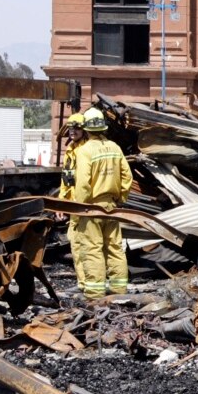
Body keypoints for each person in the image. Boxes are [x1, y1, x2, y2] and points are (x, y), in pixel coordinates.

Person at [71, 107, 133, 299]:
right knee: (115, 248)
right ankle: (119, 291)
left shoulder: (84, 151)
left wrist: (80, 208)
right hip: (111, 207)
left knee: (92, 249)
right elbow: (127, 176)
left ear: (86, 129)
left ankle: (95, 295)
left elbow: (82, 184)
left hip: (91, 208)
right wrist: (121, 198)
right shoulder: (115, 148)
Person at [58, 112, 88, 286]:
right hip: (74, 206)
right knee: (75, 244)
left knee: (87, 245)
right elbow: (65, 181)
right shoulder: (70, 150)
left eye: (76, 127)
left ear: (84, 129)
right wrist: (61, 204)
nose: (72, 131)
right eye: (70, 127)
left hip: (86, 205)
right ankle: (83, 283)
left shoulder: (87, 149)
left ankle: (91, 283)